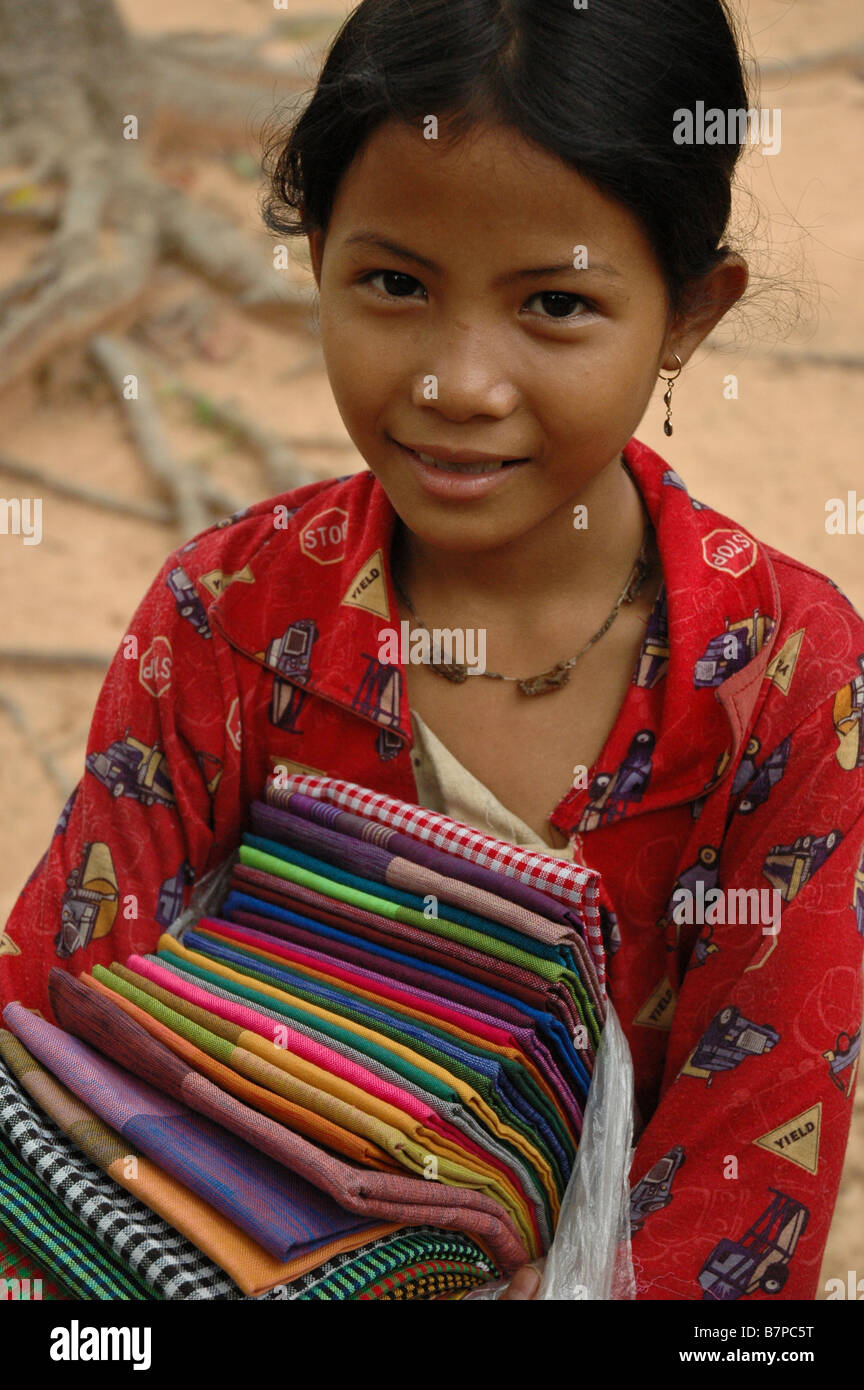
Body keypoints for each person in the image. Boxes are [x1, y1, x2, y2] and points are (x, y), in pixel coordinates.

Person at [2, 0, 862, 1302]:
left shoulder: (786, 677)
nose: (459, 381)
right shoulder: (230, 612)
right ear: (320, 259)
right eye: (394, 283)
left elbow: (752, 1159)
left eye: (558, 303)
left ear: (689, 314)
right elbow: (59, 1016)